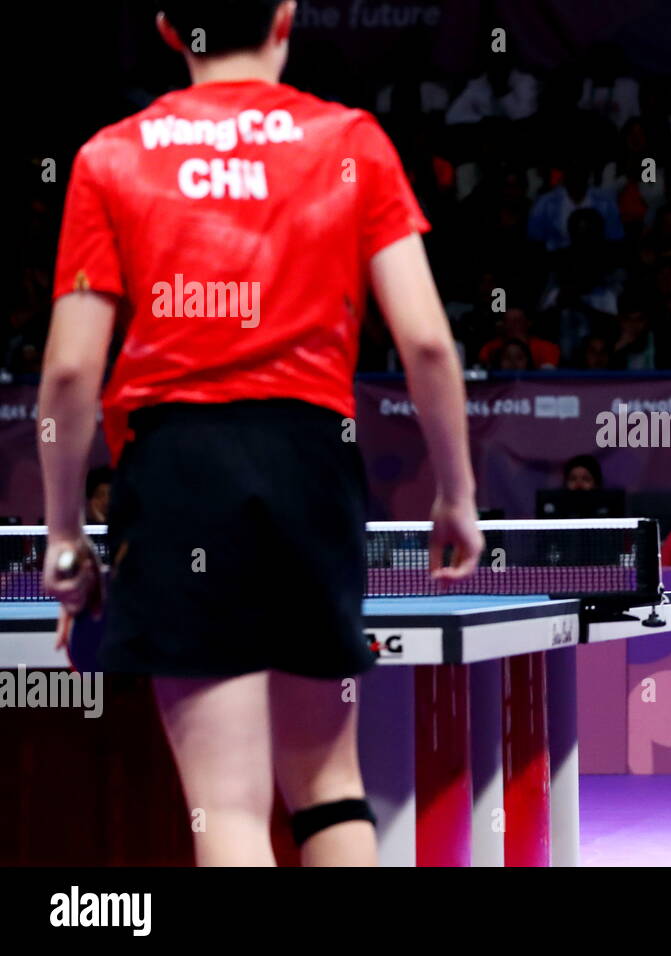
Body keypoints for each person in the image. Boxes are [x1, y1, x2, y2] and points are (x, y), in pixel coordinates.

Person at [38, 0, 483, 867]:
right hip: (311, 459)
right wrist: (456, 494)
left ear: (168, 27)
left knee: (230, 808)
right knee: (327, 786)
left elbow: (64, 374)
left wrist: (64, 535)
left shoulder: (111, 155)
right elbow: (428, 340)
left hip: (175, 469)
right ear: (285, 18)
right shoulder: (350, 142)